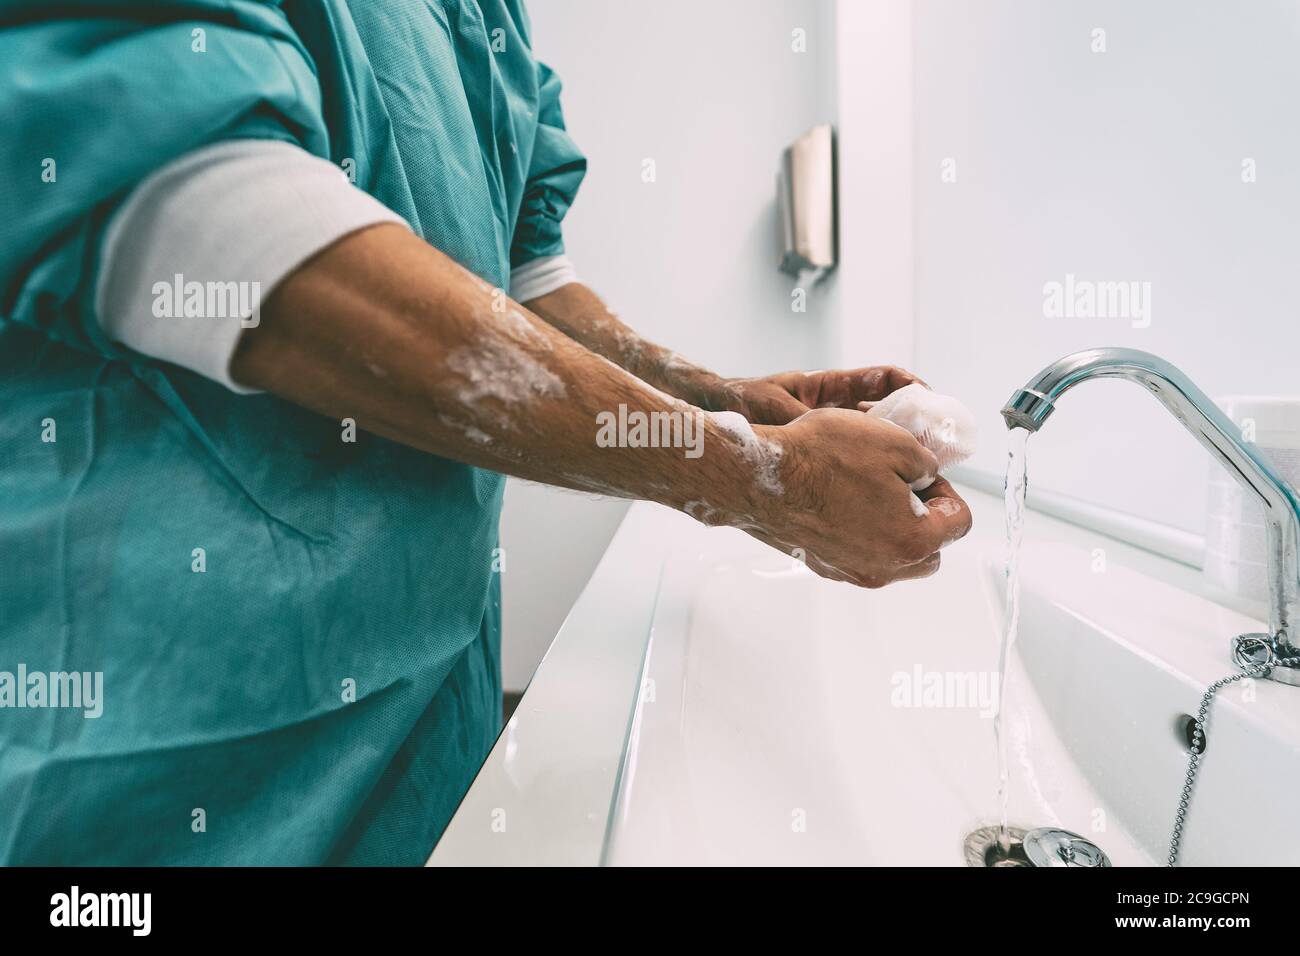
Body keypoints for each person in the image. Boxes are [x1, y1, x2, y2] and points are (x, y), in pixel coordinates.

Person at [0, 0, 971, 865]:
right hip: (176, 695)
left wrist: (726, 397)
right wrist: (760, 477)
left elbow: (524, 275)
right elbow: (219, 227)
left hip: (422, 676)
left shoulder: (480, 17)